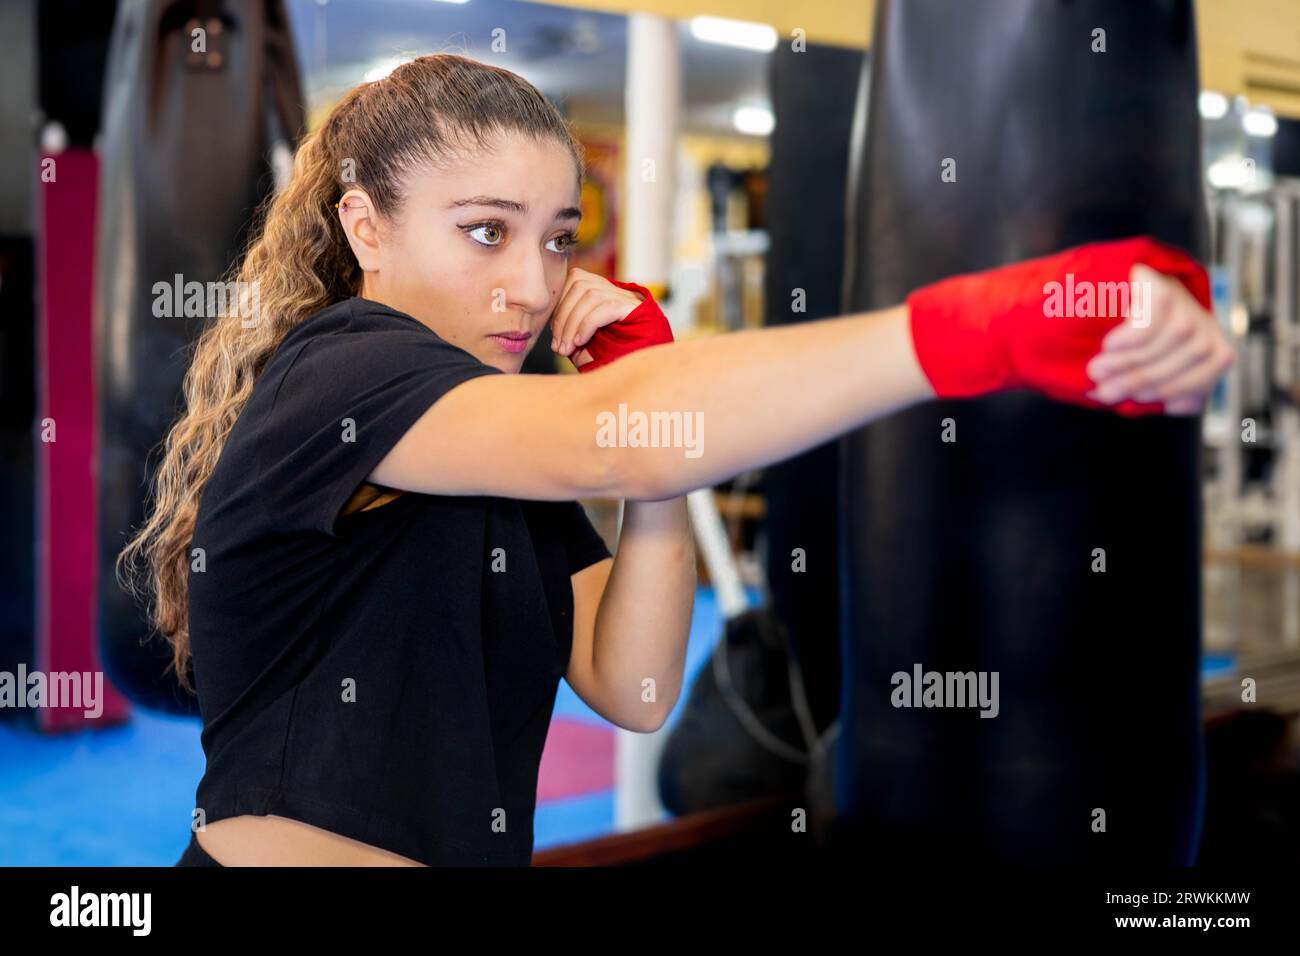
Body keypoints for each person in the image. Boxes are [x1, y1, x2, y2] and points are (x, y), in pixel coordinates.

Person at [117, 53, 1232, 867]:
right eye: (484, 230)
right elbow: (611, 431)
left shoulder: (491, 437)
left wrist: (656, 462)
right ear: (365, 227)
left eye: (558, 237)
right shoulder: (341, 374)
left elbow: (634, 686)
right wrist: (978, 328)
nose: (533, 282)